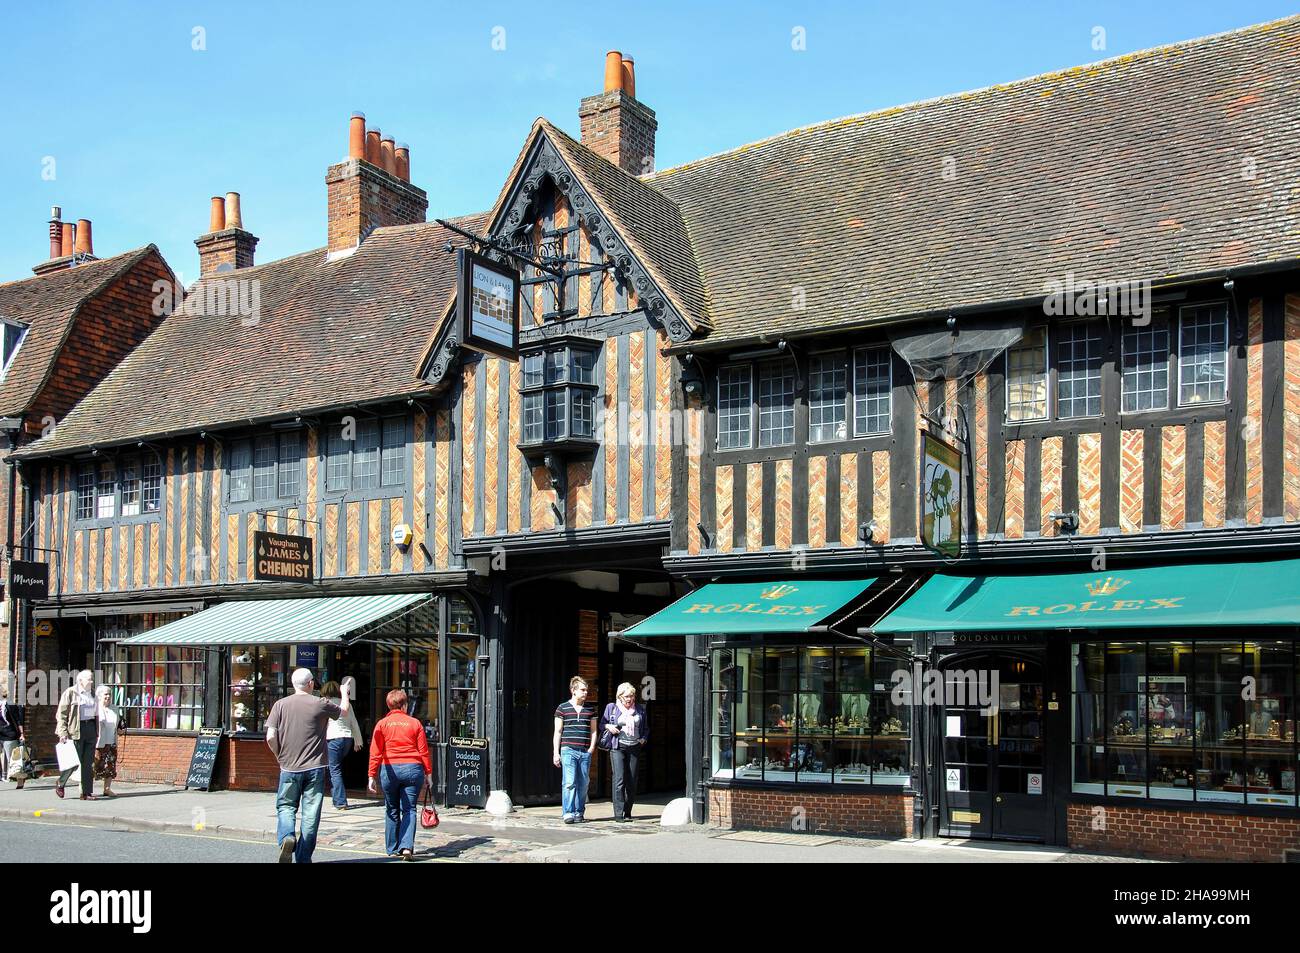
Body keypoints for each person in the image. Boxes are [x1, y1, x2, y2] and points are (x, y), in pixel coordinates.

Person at [265, 669, 353, 864]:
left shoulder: (280, 705)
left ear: (293, 683)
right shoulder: (320, 703)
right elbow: (344, 712)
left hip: (288, 767)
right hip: (315, 767)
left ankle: (287, 836)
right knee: (310, 814)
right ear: (311, 684)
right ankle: (303, 858)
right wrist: (344, 693)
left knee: (286, 807)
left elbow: (270, 736)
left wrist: (279, 755)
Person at [367, 689, 432, 860]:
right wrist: (429, 774)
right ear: (404, 705)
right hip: (413, 769)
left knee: (391, 809)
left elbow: (375, 751)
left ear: (389, 705)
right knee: (409, 809)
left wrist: (371, 776)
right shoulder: (415, 723)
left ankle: (392, 848)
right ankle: (406, 847)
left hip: (390, 770)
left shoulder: (382, 724)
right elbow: (423, 751)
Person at [602, 682, 649, 823]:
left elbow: (646, 728)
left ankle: (628, 812)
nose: (630, 699)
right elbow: (601, 724)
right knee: (619, 780)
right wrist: (609, 726)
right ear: (620, 696)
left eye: (632, 696)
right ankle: (618, 813)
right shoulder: (612, 708)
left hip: (634, 746)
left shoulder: (640, 709)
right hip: (618, 747)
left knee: (632, 781)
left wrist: (643, 739)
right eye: (627, 696)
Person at [552, 676, 597, 824]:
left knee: (583, 784)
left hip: (584, 751)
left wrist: (591, 748)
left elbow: (594, 731)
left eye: (586, 690)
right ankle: (568, 813)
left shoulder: (590, 709)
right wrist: (556, 752)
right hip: (568, 750)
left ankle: (579, 812)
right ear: (573, 690)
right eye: (582, 690)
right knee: (569, 782)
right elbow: (557, 731)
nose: (585, 693)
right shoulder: (562, 708)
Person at [55, 670, 98, 800]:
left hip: (90, 728)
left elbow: (96, 713)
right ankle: (60, 783)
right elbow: (61, 714)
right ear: (80, 681)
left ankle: (86, 793)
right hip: (76, 729)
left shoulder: (93, 693)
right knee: (74, 762)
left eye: (92, 679)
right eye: (89, 679)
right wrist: (62, 732)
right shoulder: (70, 693)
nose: (91, 681)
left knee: (88, 763)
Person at [321, 680, 364, 811]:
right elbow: (354, 723)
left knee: (335, 770)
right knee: (337, 769)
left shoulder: (326, 703)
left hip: (333, 738)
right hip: (347, 739)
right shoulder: (346, 704)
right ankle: (337, 799)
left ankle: (340, 802)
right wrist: (358, 741)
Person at [93, 685, 120, 798]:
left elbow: (118, 725)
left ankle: (107, 789)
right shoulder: (95, 708)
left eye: (109, 694)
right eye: (105, 694)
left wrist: (121, 728)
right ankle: (85, 789)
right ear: (99, 696)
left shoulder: (115, 709)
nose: (108, 696)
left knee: (110, 765)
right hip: (99, 742)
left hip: (112, 741)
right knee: (95, 765)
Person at [0, 683, 26, 787]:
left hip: (9, 734)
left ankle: (20, 779)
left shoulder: (10, 704)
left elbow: (18, 720)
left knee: (13, 759)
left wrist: (22, 734)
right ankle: (4, 775)